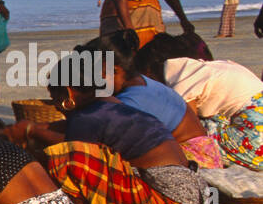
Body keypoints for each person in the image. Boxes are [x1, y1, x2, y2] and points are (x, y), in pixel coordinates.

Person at [7, 57, 212, 204]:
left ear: (69, 93)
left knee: (68, 161)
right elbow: (63, 128)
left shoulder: (87, 118)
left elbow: (69, 147)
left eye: (56, 99)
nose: (57, 107)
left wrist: (30, 131)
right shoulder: (110, 104)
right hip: (192, 203)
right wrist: (33, 129)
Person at [83, 31, 223, 167]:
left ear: (113, 70)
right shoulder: (142, 82)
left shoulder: (132, 100)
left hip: (196, 157)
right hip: (205, 152)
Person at [138, 34, 263, 171]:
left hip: (256, 142)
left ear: (149, 71)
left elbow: (190, 130)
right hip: (254, 121)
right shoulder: (208, 67)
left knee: (180, 132)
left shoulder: (183, 80)